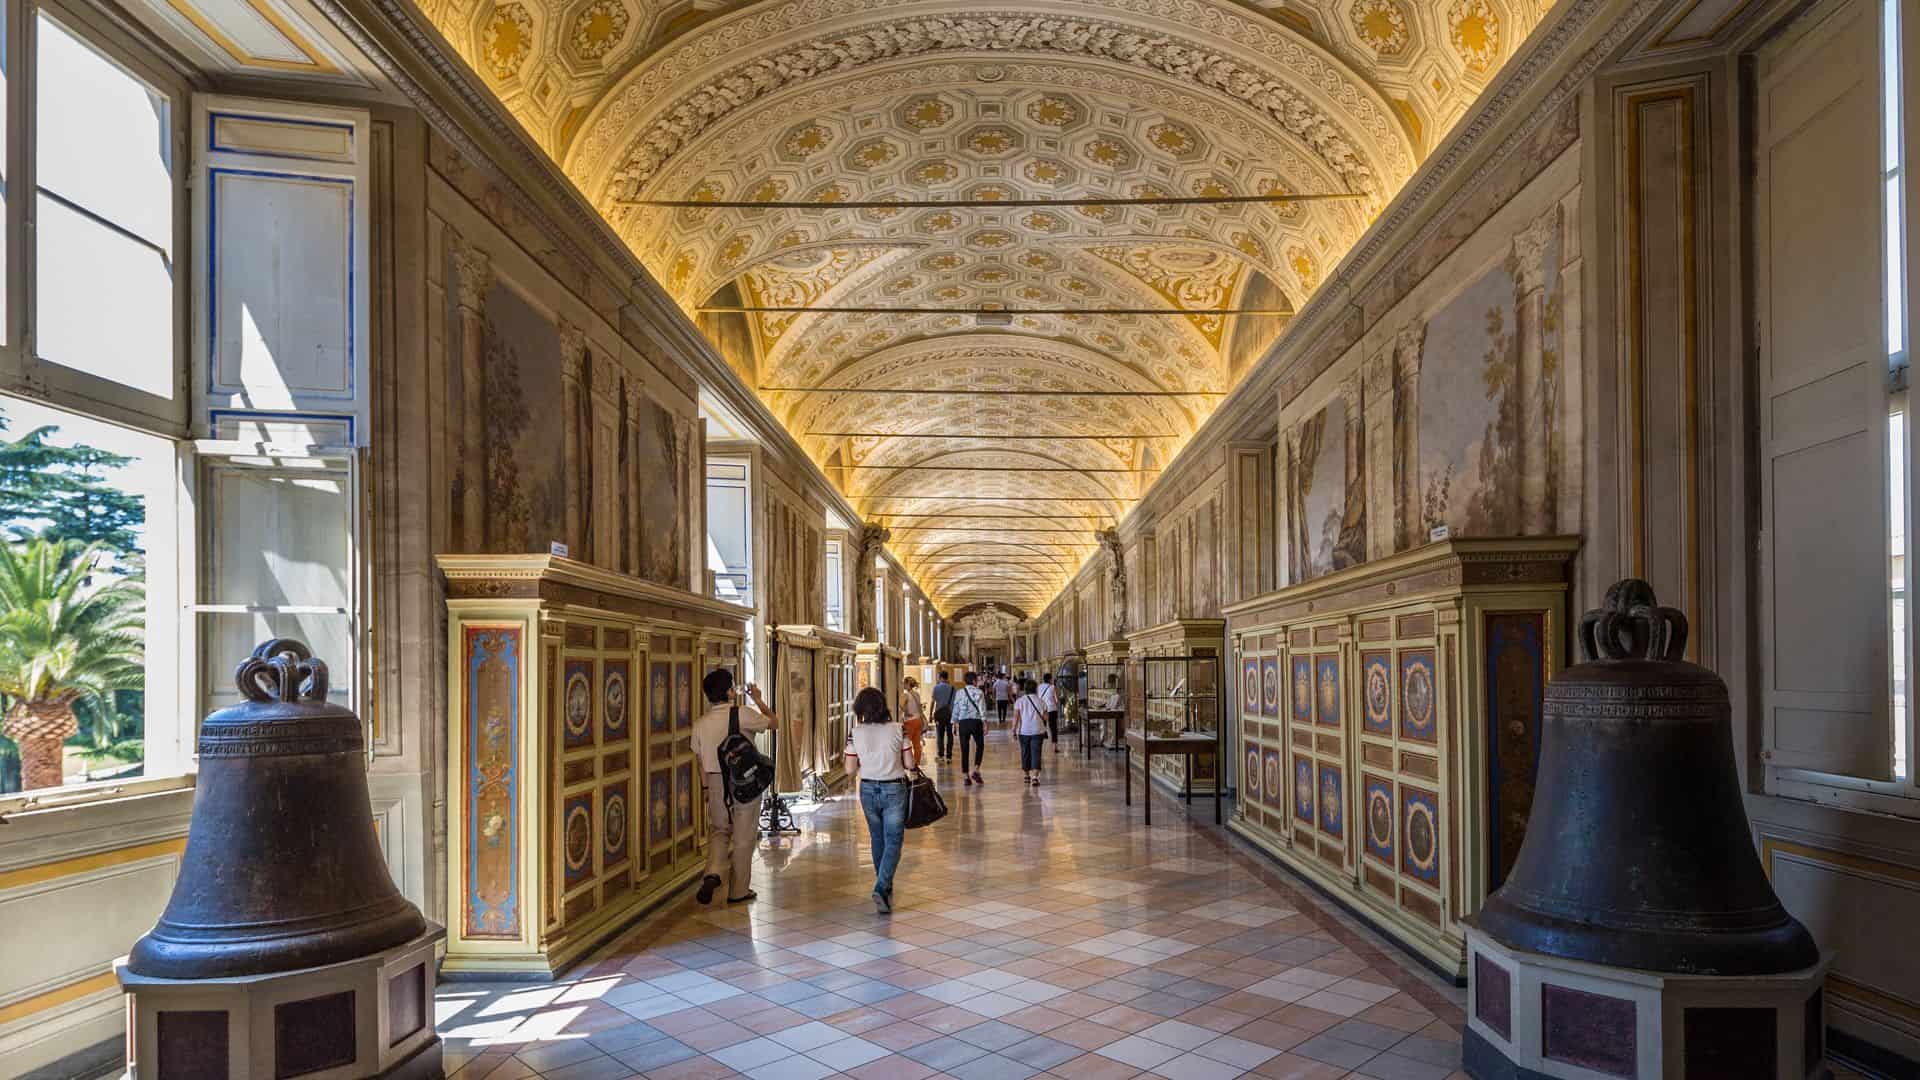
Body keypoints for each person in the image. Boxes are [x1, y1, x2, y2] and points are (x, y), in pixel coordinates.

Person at [690, 668, 775, 905]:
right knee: (743, 837)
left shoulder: (700, 724)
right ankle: (738, 891)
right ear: (729, 691)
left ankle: (712, 874)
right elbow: (774, 723)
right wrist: (758, 699)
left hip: (716, 783)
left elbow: (700, 763)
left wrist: (707, 789)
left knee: (719, 832)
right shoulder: (743, 714)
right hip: (744, 781)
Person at [845, 686, 913, 913]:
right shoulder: (898, 729)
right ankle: (882, 887)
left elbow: (849, 768)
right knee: (893, 840)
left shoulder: (855, 732)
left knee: (877, 839)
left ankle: (884, 887)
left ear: (860, 708)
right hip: (894, 788)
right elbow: (910, 763)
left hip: (867, 789)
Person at [952, 671, 988, 786]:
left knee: (964, 749)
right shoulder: (979, 692)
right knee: (980, 745)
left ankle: (966, 776)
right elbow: (982, 709)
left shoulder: (959, 693)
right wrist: (985, 723)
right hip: (976, 722)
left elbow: (956, 708)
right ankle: (976, 769)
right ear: (973, 681)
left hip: (963, 723)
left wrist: (954, 723)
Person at [1012, 678, 1048, 786]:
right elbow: (1046, 718)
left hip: (1024, 731)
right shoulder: (1041, 701)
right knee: (1036, 753)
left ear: (1025, 689)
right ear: (1036, 689)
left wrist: (1013, 729)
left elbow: (1016, 717)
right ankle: (1035, 777)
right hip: (1038, 731)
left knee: (1025, 752)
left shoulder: (1020, 701)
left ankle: (1027, 775)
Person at [899, 676, 926, 763]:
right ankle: (916, 762)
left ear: (907, 684)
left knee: (905, 742)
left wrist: (906, 712)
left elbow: (901, 706)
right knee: (917, 744)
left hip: (910, 722)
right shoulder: (917, 694)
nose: (903, 685)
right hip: (918, 720)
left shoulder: (905, 695)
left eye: (904, 683)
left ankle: (906, 762)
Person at [931, 670, 955, 761]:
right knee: (950, 735)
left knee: (940, 735)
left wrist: (930, 715)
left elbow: (933, 702)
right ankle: (949, 756)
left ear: (940, 677)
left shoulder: (936, 688)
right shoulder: (952, 688)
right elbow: (954, 703)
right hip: (950, 714)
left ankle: (941, 755)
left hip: (939, 715)